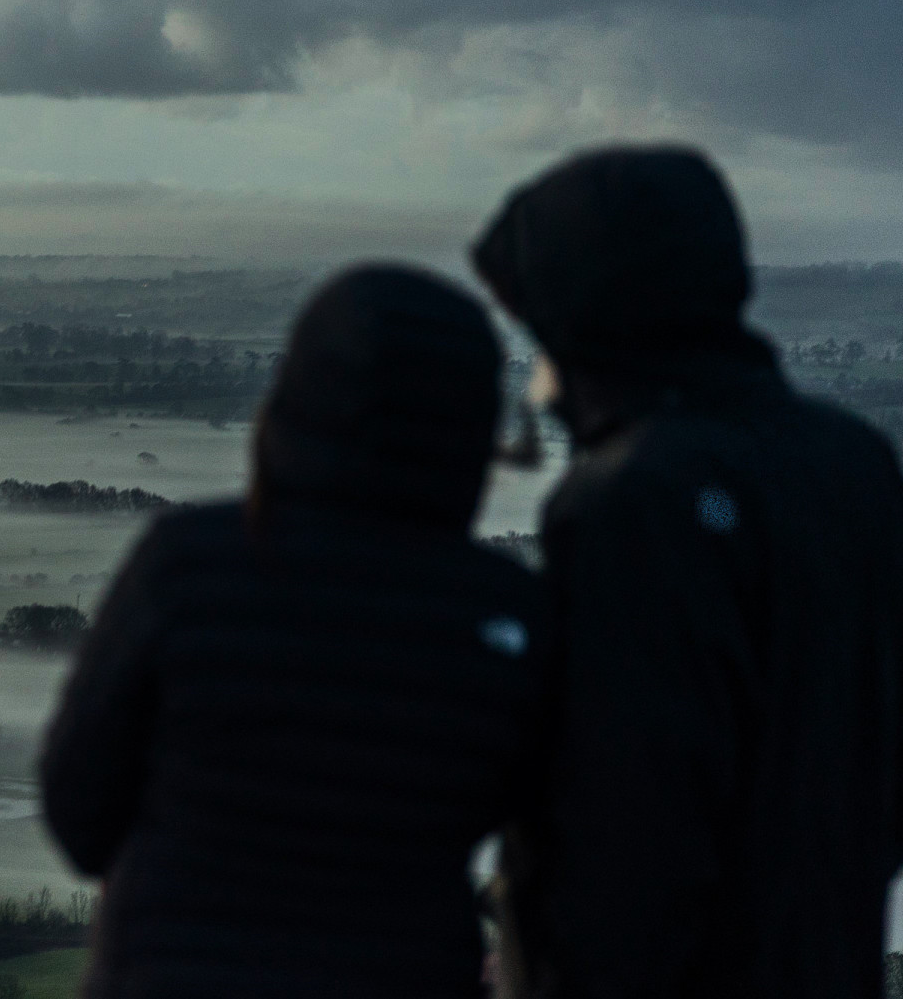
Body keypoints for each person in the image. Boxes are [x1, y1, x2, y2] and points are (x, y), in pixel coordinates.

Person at [470, 144, 903, 999]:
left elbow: (627, 814)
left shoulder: (632, 498)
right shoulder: (856, 462)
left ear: (586, 322)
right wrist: (813, 894)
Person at [39, 264, 551, 998]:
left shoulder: (186, 567)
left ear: (293, 400)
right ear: (473, 429)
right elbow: (554, 857)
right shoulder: (508, 617)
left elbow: (77, 815)